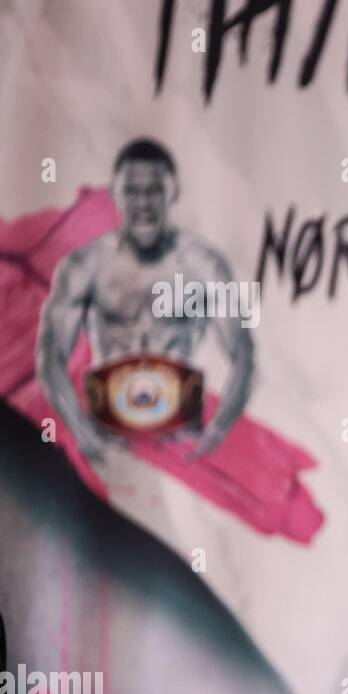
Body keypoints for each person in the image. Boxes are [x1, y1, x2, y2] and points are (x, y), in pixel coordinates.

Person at [36, 137, 253, 462]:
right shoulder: (86, 265)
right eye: (132, 192)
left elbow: (243, 354)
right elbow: (50, 356)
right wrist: (83, 433)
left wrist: (219, 429)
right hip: (109, 435)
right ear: (114, 195)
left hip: (182, 438)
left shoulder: (204, 265)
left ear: (173, 192)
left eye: (153, 191)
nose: (143, 203)